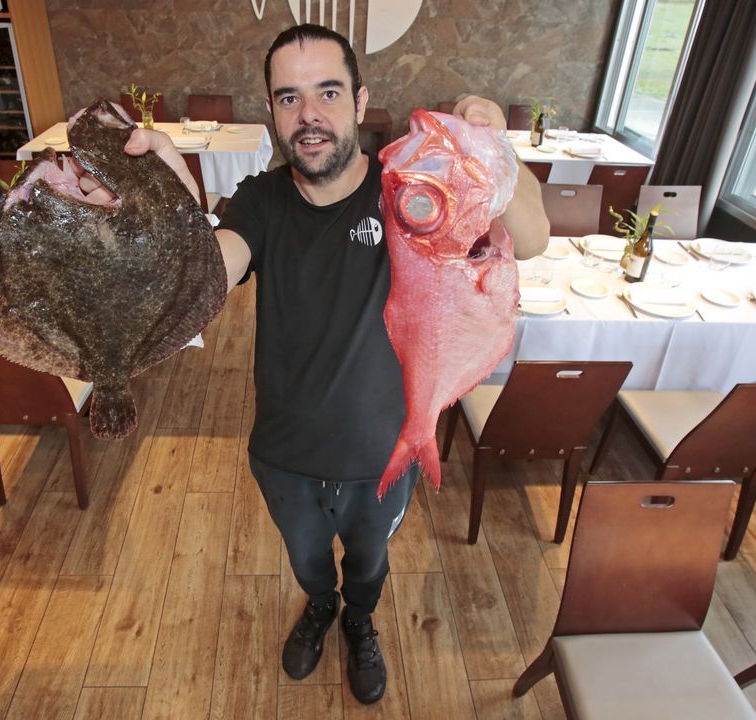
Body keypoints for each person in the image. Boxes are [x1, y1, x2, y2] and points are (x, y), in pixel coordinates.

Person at [81, 23, 547, 704]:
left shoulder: (406, 190)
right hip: (283, 453)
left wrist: (491, 142)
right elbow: (207, 272)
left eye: (327, 93)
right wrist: (163, 191)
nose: (310, 117)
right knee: (307, 561)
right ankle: (322, 607)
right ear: (271, 110)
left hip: (383, 451)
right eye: (289, 98)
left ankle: (360, 620)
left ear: (359, 101)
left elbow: (529, 240)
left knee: (369, 561)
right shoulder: (262, 203)